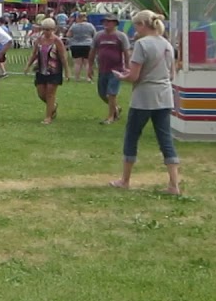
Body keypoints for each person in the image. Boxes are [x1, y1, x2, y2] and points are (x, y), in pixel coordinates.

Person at [110, 10, 180, 195]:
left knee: (132, 136)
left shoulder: (142, 44)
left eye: (136, 26)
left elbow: (134, 76)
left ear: (142, 25)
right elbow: (172, 74)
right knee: (165, 139)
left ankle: (125, 180)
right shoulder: (167, 44)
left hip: (144, 97)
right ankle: (174, 184)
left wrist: (122, 76)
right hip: (165, 95)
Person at [24, 18, 67, 124]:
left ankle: (48, 117)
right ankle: (53, 106)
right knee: (41, 93)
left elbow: (63, 57)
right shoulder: (39, 40)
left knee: (50, 94)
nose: (46, 32)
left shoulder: (57, 41)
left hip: (54, 70)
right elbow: (34, 54)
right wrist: (27, 66)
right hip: (41, 69)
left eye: (49, 29)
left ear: (53, 29)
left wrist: (67, 71)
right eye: (44, 29)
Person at [90, 14, 130, 124]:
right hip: (102, 68)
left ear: (115, 23)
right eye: (105, 22)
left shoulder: (121, 36)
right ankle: (116, 108)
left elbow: (126, 52)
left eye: (109, 21)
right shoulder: (98, 36)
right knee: (102, 93)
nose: (106, 24)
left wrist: (127, 67)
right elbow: (93, 51)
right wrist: (90, 67)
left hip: (116, 69)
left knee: (112, 93)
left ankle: (111, 117)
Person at [67, 12, 97, 82]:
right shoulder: (90, 26)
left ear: (78, 18)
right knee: (87, 63)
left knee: (77, 63)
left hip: (75, 45)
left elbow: (68, 35)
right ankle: (88, 78)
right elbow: (95, 35)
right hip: (88, 45)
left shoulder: (74, 26)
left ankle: (77, 78)